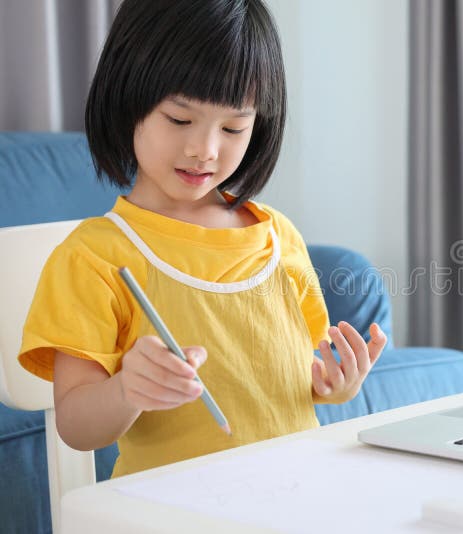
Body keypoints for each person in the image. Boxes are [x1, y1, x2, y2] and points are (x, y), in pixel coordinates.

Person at [17, 0, 386, 478]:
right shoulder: (94, 256)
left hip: (294, 497)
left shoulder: (277, 236)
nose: (204, 150)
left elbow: (301, 381)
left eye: (234, 127)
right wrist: (128, 387)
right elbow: (76, 426)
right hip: (171, 512)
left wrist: (337, 384)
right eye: (179, 119)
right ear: (128, 99)